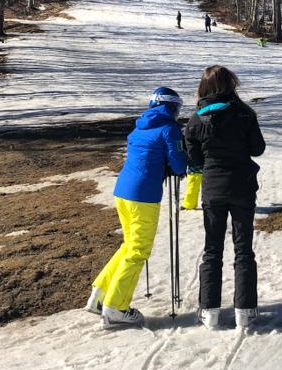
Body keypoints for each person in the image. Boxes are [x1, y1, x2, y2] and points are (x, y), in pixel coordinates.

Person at [86, 87, 187, 328]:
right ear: (172, 107)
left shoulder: (139, 126)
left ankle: (100, 295)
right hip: (144, 195)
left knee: (129, 246)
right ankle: (116, 308)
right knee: (138, 251)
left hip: (123, 192)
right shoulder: (169, 129)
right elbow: (179, 164)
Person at [184, 66, 266, 330]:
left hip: (213, 188)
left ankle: (209, 311)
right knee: (243, 249)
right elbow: (258, 148)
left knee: (212, 250)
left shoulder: (196, 120)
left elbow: (194, 160)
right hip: (242, 185)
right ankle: (245, 310)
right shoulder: (244, 114)